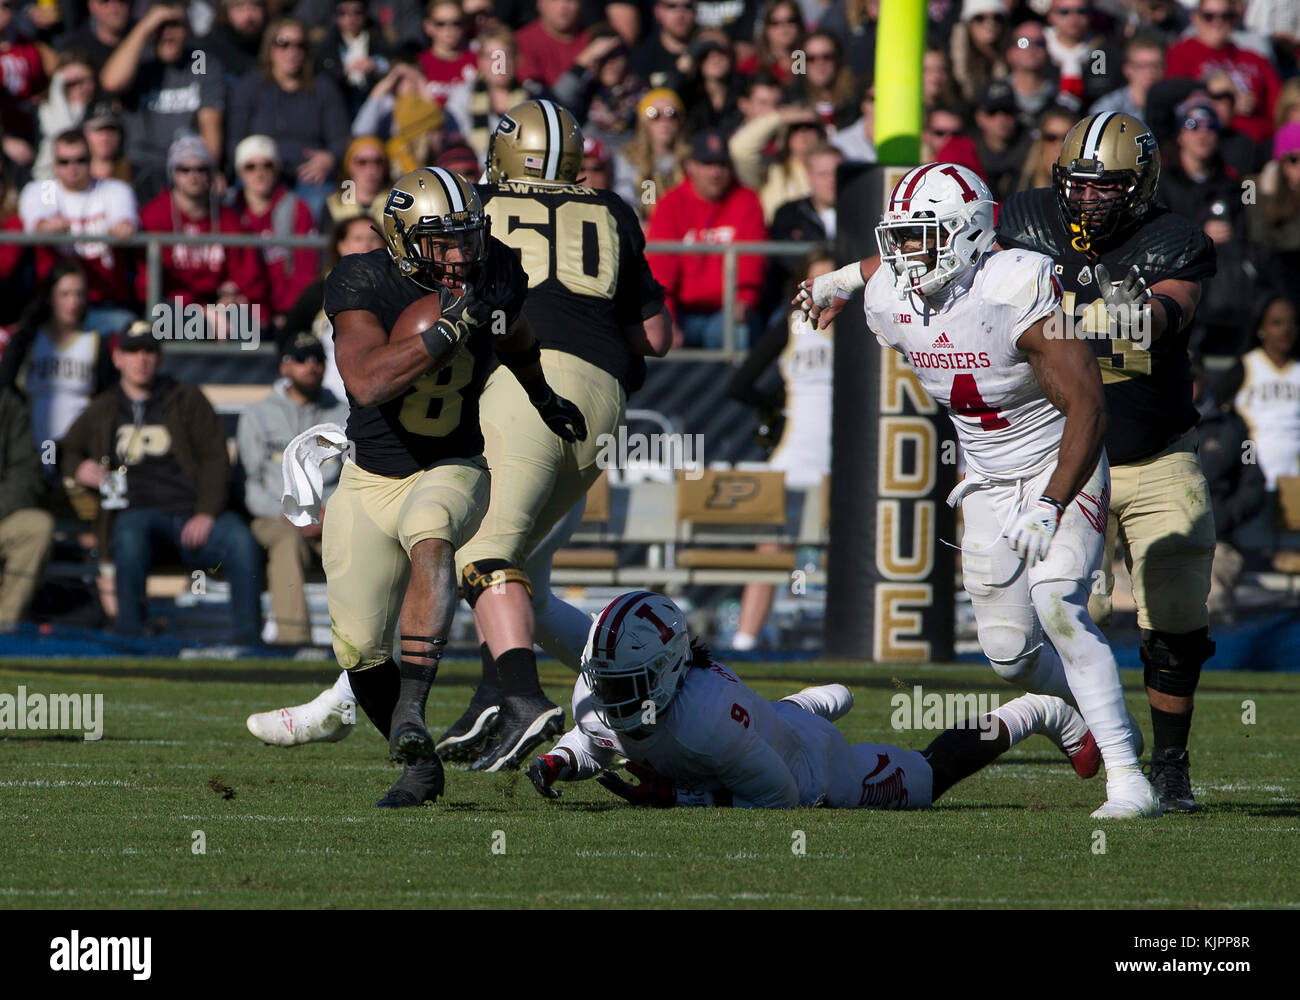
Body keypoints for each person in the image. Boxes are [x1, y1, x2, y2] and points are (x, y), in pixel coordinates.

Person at [797, 161, 1158, 819]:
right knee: (1010, 655)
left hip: (1059, 463)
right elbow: (873, 273)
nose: (904, 254)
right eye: (899, 237)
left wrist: (1051, 503)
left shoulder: (1012, 286)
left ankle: (1130, 779)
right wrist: (835, 281)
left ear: (965, 236)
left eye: (920, 236)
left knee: (1058, 605)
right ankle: (1071, 713)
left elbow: (1088, 405)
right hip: (987, 480)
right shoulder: (891, 295)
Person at [306, 165, 586, 807]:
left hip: (454, 464)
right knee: (357, 648)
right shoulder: (361, 278)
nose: (460, 255)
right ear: (404, 240)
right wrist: (450, 326)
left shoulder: (497, 270)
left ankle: (413, 710)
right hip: (370, 476)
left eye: (467, 236)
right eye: (442, 242)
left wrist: (542, 396)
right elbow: (369, 383)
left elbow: (512, 332)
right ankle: (419, 765)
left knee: (433, 539)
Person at [433, 99, 671, 771]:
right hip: (605, 402)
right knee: (519, 568)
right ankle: (495, 694)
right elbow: (657, 337)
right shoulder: (614, 209)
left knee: (480, 555)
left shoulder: (478, 204)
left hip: (525, 383)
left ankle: (521, 699)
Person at [995, 112, 1218, 814]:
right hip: (1063, 457)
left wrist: (1063, 312)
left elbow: (1158, 317)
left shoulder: (1174, 241)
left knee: (1176, 616)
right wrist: (849, 278)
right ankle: (1101, 739)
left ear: (1141, 183)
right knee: (1059, 615)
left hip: (1154, 455)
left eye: (1107, 186)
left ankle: (1172, 766)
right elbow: (946, 251)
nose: (1088, 198)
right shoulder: (1025, 218)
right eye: (1079, 184)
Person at [527, 591, 1100, 810]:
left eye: (626, 682)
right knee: (770, 718)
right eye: (606, 680)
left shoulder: (705, 721)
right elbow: (596, 736)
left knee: (926, 778)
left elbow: (778, 795)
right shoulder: (607, 687)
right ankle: (801, 705)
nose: (609, 694)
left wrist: (676, 799)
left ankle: (1037, 711)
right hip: (760, 727)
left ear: (668, 667)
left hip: (812, 766)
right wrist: (563, 759)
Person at [60, 320, 264, 643]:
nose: (141, 359)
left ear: (160, 357)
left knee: (241, 542)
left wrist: (207, 512)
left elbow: (216, 459)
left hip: (193, 517)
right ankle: (131, 636)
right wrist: (78, 466)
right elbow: (64, 449)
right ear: (118, 358)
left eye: (149, 351)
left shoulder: (188, 400)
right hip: (138, 521)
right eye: (132, 351)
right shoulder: (104, 408)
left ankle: (249, 641)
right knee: (127, 533)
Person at [727, 246, 834, 651]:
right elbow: (740, 384)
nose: (824, 293)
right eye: (815, 283)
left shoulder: (868, 325)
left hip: (851, 461)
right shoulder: (792, 325)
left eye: (831, 283)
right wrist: (777, 409)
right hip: (796, 450)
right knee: (771, 548)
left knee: (852, 551)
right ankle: (744, 640)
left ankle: (844, 641)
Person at [238, 331, 347, 646]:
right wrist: (286, 512)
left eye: (318, 359)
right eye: (301, 359)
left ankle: (361, 645)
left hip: (330, 516)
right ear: (284, 367)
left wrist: (332, 512)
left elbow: (354, 476)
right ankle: (293, 642)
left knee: (357, 543)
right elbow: (251, 485)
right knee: (287, 543)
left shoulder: (343, 414)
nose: (310, 366)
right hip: (275, 516)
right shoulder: (257, 415)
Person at [645, 127, 767, 349]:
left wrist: (744, 300)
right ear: (690, 166)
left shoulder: (747, 200)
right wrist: (667, 316)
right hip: (680, 312)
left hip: (727, 312)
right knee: (651, 335)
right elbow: (660, 269)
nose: (715, 173)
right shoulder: (670, 204)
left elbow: (752, 262)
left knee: (737, 332)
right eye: (707, 164)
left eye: (721, 165)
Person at [225, 17, 351, 221]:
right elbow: (234, 142)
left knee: (319, 205)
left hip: (308, 178)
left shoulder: (324, 88)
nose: (292, 51)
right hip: (259, 174)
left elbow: (342, 139)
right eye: (283, 44)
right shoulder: (249, 87)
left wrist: (331, 159)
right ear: (270, 48)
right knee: (238, 208)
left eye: (300, 45)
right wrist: (252, 167)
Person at [136, 135, 269, 326]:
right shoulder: (153, 217)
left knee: (248, 327)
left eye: (201, 169)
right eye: (185, 169)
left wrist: (234, 297)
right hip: (171, 310)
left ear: (211, 174)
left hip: (220, 308)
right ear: (172, 173)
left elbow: (248, 278)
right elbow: (146, 288)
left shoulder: (229, 220)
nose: (193, 175)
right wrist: (201, 311)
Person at [100, 4, 226, 204]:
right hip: (140, 166)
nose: (167, 34)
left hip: (187, 166)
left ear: (187, 28)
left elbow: (210, 124)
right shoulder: (139, 59)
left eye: (175, 26)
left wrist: (208, 170)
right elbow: (111, 82)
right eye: (160, 27)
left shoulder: (197, 60)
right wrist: (146, 25)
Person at [19, 128, 139, 336]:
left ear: (91, 159)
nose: (72, 168)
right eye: (64, 161)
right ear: (54, 163)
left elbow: (123, 218)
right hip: (53, 307)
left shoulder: (111, 189)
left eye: (80, 160)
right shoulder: (45, 190)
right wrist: (47, 227)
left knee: (131, 334)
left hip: (105, 302)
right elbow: (38, 221)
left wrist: (122, 226)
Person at [229, 134, 319, 320]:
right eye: (250, 166)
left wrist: (290, 314)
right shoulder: (230, 211)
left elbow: (305, 269)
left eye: (267, 165)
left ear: (276, 169)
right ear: (240, 173)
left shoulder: (297, 209)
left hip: (287, 313)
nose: (259, 173)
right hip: (242, 311)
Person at [1165, 0, 1280, 145]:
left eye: (1226, 16)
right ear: (1194, 17)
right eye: (1209, 16)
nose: (1217, 22)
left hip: (1263, 140)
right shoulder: (1180, 54)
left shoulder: (1256, 59)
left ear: (1235, 19)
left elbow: (1280, 107)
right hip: (1213, 142)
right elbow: (1173, 103)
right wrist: (1226, 99)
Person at [0, 387, 55, 629]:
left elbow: (26, 473)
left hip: (2, 514)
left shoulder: (7, 403)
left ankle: (5, 628)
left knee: (37, 526)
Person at [1089, 35, 1164, 122]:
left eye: (1157, 65)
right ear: (1127, 69)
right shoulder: (1106, 111)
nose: (1151, 71)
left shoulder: (1177, 108)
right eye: (1143, 66)